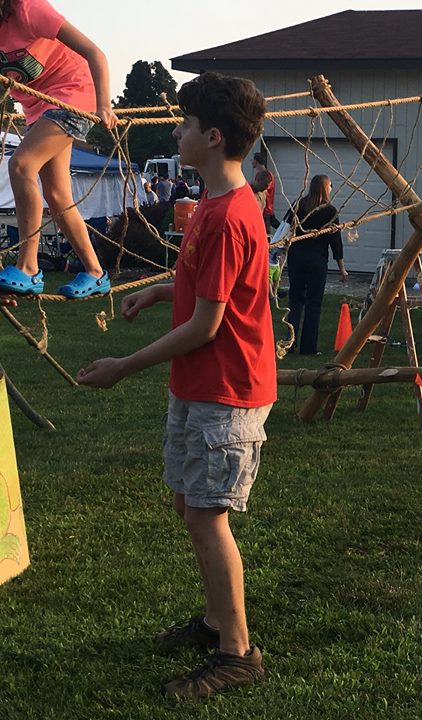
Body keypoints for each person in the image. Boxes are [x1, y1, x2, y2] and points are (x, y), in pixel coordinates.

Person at [76, 72, 274, 699]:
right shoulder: (209, 205)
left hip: (227, 390)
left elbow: (207, 326)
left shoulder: (229, 215)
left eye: (185, 124)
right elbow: (211, 292)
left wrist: (122, 368)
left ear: (212, 138)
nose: (177, 132)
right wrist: (163, 290)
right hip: (199, 386)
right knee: (190, 507)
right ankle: (217, 619)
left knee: (209, 516)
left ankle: (237, 653)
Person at [0, 0, 118, 298]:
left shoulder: (28, 9)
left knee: (21, 165)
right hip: (38, 108)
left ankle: (28, 267)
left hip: (73, 93)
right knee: (57, 195)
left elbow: (95, 53)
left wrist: (104, 105)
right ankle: (95, 271)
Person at [285, 174, 348, 356]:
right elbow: (335, 242)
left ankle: (289, 344)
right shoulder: (329, 211)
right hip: (316, 261)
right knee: (313, 303)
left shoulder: (299, 205)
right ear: (324, 188)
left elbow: (287, 226)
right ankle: (308, 348)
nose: (331, 188)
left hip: (296, 259)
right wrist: (342, 268)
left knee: (295, 301)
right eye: (330, 185)